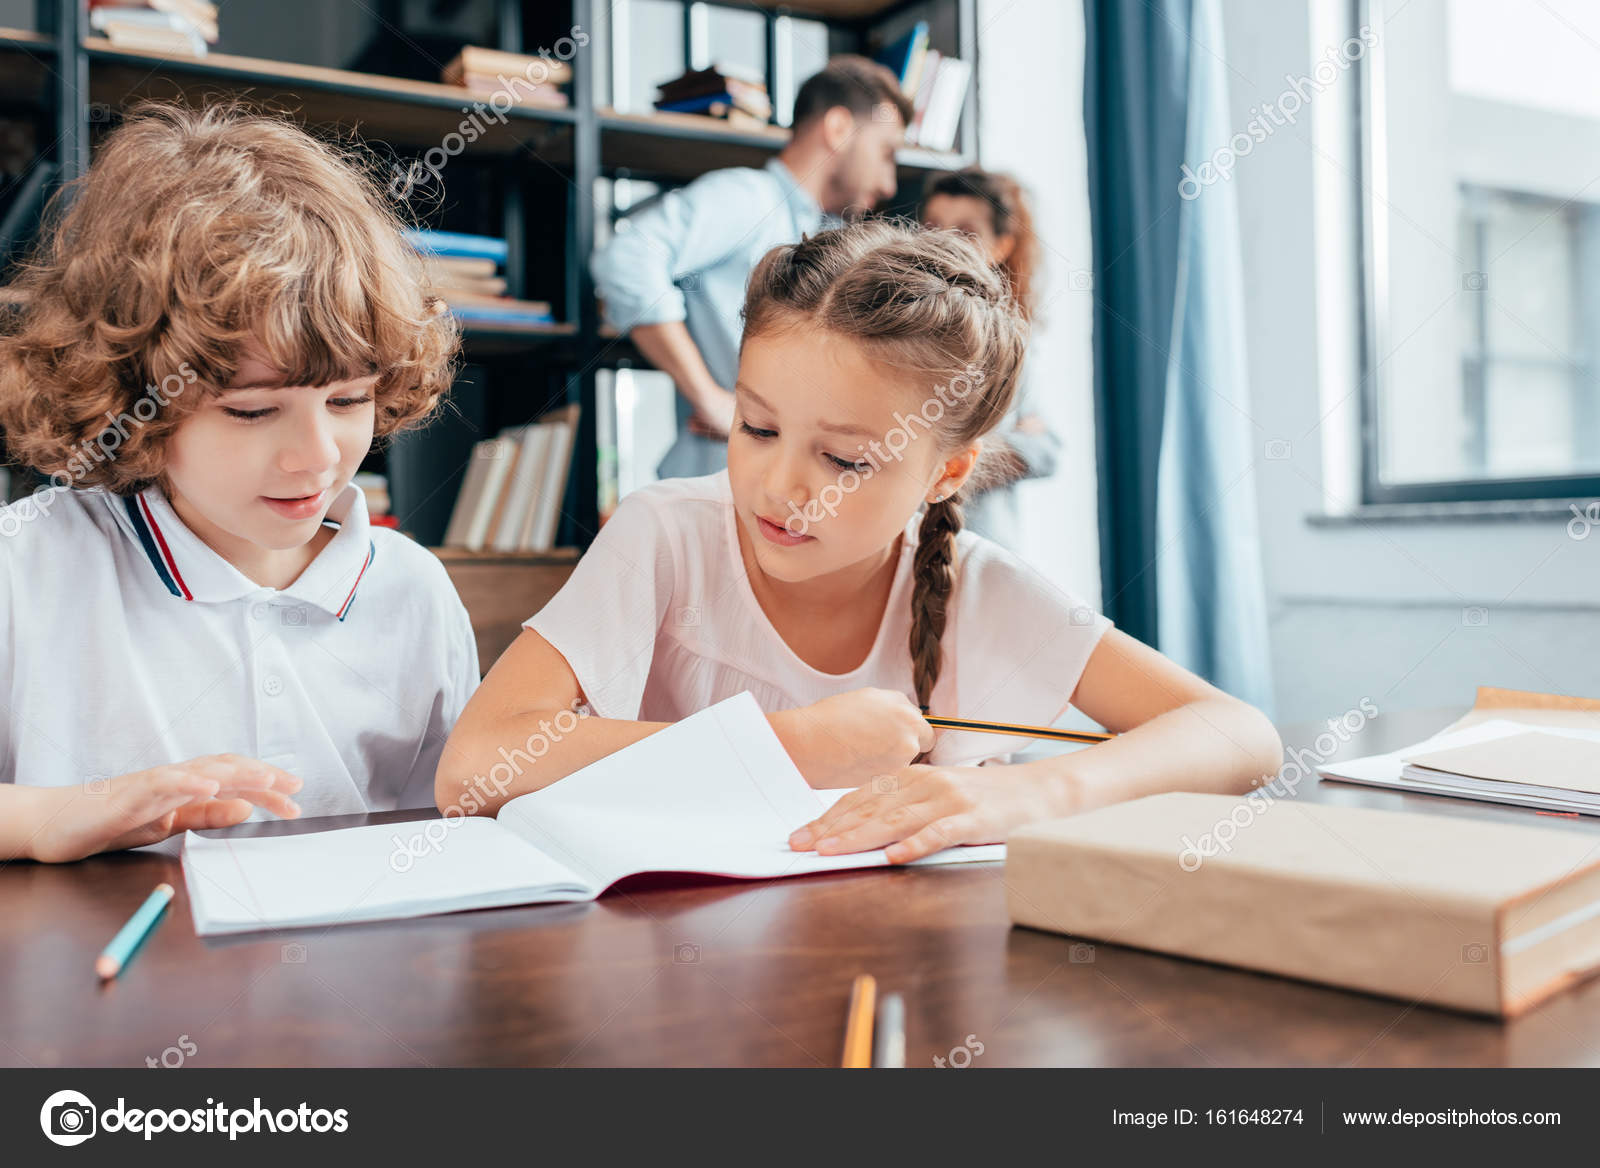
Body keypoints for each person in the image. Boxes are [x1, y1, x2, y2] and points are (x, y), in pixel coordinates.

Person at [438, 220, 1281, 863]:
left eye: (843, 458)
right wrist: (790, 746)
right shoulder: (667, 535)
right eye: (756, 428)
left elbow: (1241, 737)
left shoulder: (975, 589)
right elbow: (473, 765)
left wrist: (1027, 795)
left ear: (946, 473)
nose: (780, 486)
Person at [0, 103, 479, 862]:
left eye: (347, 400)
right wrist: (54, 816)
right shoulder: (27, 568)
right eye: (253, 411)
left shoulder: (413, 592)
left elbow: (450, 833)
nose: (316, 456)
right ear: (135, 398)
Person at [591, 55, 911, 480]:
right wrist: (707, 396)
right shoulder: (749, 198)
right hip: (721, 486)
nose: (889, 183)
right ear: (838, 129)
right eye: (886, 153)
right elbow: (628, 257)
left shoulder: (838, 237)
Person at [921, 167, 1060, 549]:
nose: (945, 243)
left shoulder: (1014, 339)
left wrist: (947, 459)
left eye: (966, 233)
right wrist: (1002, 443)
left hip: (984, 549)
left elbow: (1047, 450)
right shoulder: (900, 330)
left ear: (1002, 246)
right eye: (932, 226)